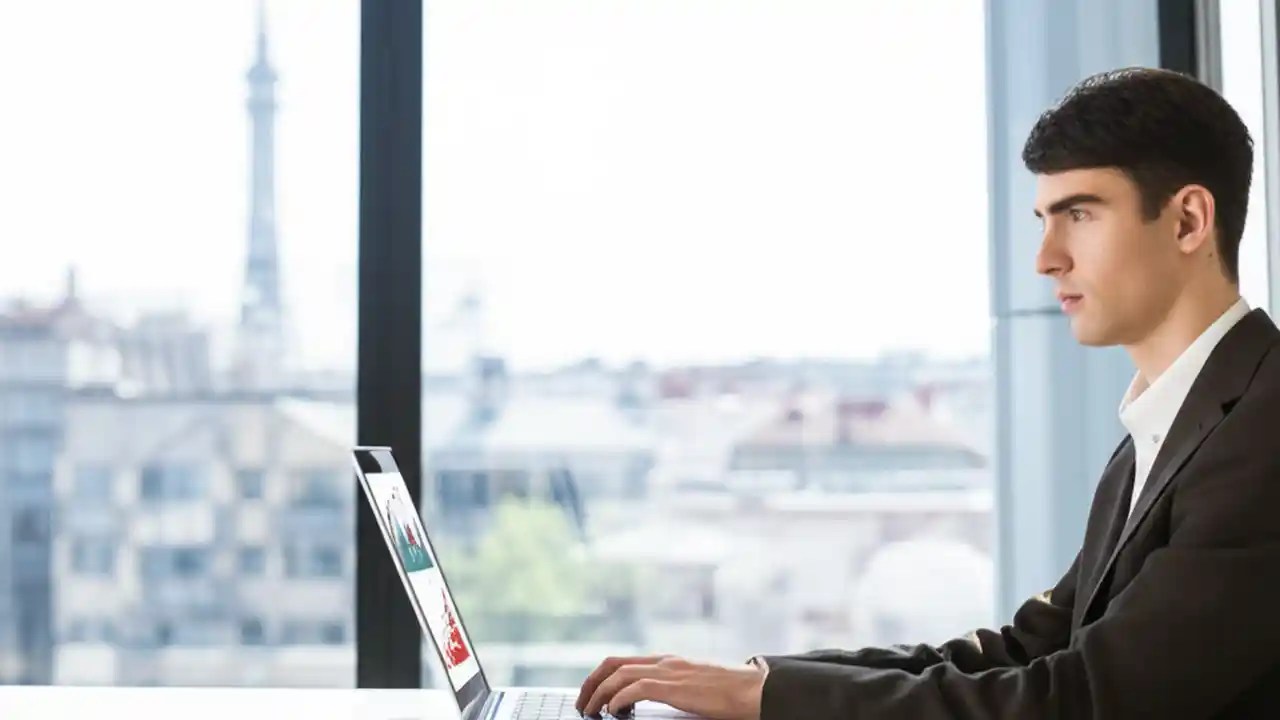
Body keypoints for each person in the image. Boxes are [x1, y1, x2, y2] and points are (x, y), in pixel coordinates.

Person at [576, 67, 1280, 719]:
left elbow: (1078, 700)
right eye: (1043, 221)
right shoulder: (1173, 425)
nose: (1045, 258)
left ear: (1188, 220)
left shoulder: (1262, 430)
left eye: (1081, 215)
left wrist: (770, 698)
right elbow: (1023, 651)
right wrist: (757, 681)